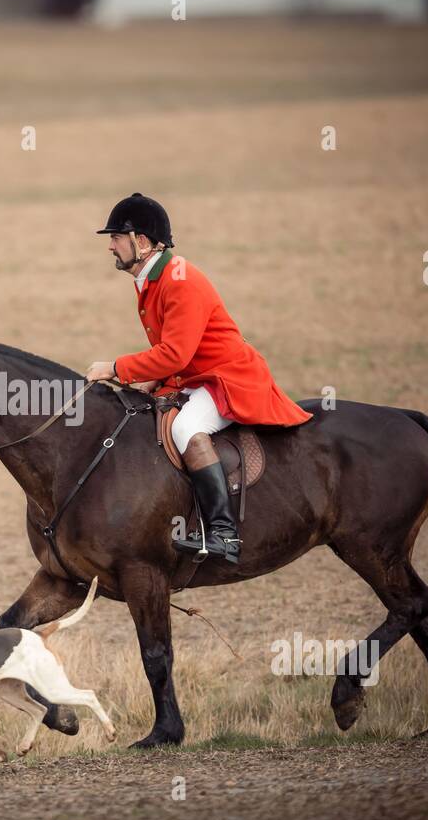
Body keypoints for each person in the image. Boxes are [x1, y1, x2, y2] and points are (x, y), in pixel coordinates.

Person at [84, 193, 313, 563]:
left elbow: (175, 353)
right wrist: (153, 380)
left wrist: (115, 368)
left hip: (228, 379)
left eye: (116, 237)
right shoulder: (150, 278)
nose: (110, 245)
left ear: (141, 242)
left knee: (186, 429)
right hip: (196, 376)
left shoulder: (181, 281)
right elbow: (175, 351)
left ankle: (224, 533)